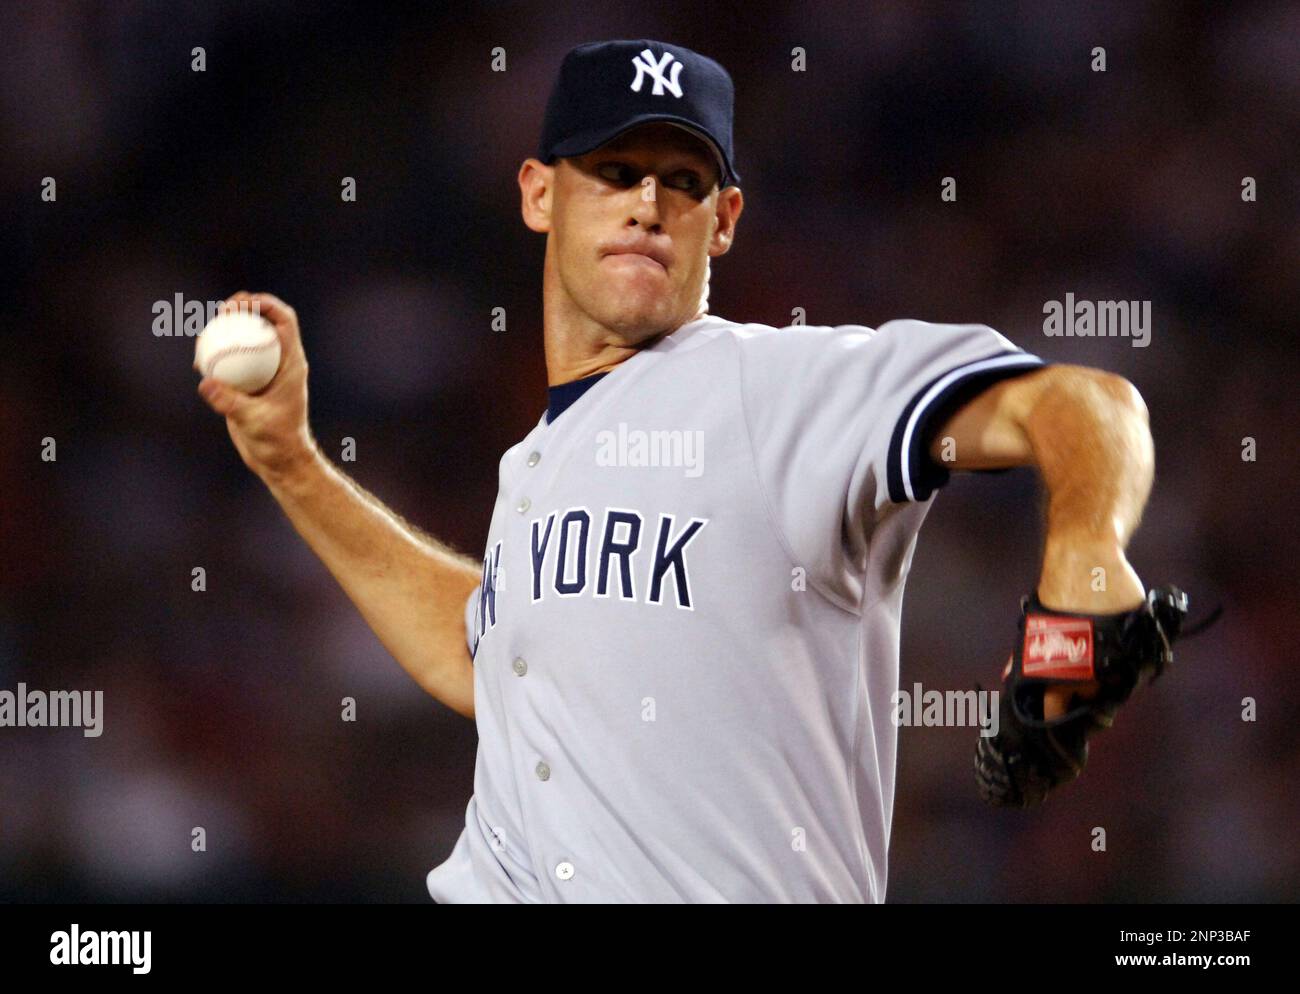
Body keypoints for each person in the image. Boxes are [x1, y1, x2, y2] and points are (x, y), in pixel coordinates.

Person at [198, 39, 1181, 902]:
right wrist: (290, 462)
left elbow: (1083, 403)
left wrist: (1086, 553)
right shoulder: (536, 461)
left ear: (725, 220)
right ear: (539, 193)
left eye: (682, 179)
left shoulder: (781, 389)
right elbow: (481, 658)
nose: (647, 204)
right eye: (615, 168)